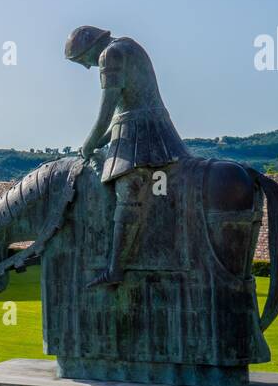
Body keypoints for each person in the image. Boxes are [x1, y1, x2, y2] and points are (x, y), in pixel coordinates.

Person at [66, 25, 189, 288]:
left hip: (143, 133)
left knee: (127, 192)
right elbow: (123, 113)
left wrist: (88, 145)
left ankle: (115, 269)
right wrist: (98, 142)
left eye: (82, 60)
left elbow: (106, 114)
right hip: (143, 125)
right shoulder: (129, 45)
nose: (87, 67)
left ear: (89, 49)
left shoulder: (109, 55)